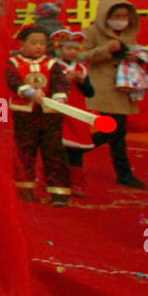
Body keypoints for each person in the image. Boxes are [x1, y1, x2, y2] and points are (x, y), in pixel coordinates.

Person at [83, 0, 147, 190]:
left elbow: (134, 54)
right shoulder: (91, 31)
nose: (121, 20)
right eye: (117, 16)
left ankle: (75, 149)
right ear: (105, 15)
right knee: (116, 130)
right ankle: (124, 174)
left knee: (114, 130)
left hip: (123, 86)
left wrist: (137, 58)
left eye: (124, 16)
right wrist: (105, 49)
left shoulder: (128, 33)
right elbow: (80, 55)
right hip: (102, 87)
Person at [6, 25, 72, 206]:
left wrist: (60, 98)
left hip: (50, 116)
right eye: (34, 43)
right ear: (22, 44)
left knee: (54, 152)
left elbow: (60, 83)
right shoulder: (14, 62)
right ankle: (24, 189)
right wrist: (27, 92)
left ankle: (59, 193)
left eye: (42, 43)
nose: (38, 47)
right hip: (24, 114)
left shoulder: (51, 64)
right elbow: (12, 80)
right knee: (24, 152)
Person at [52, 29, 95, 197]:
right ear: (59, 49)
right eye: (68, 48)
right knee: (57, 149)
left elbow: (90, 93)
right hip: (57, 112)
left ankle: (77, 184)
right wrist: (63, 80)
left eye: (75, 49)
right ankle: (56, 181)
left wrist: (83, 82)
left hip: (77, 113)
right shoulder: (53, 66)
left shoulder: (82, 69)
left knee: (76, 150)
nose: (72, 52)